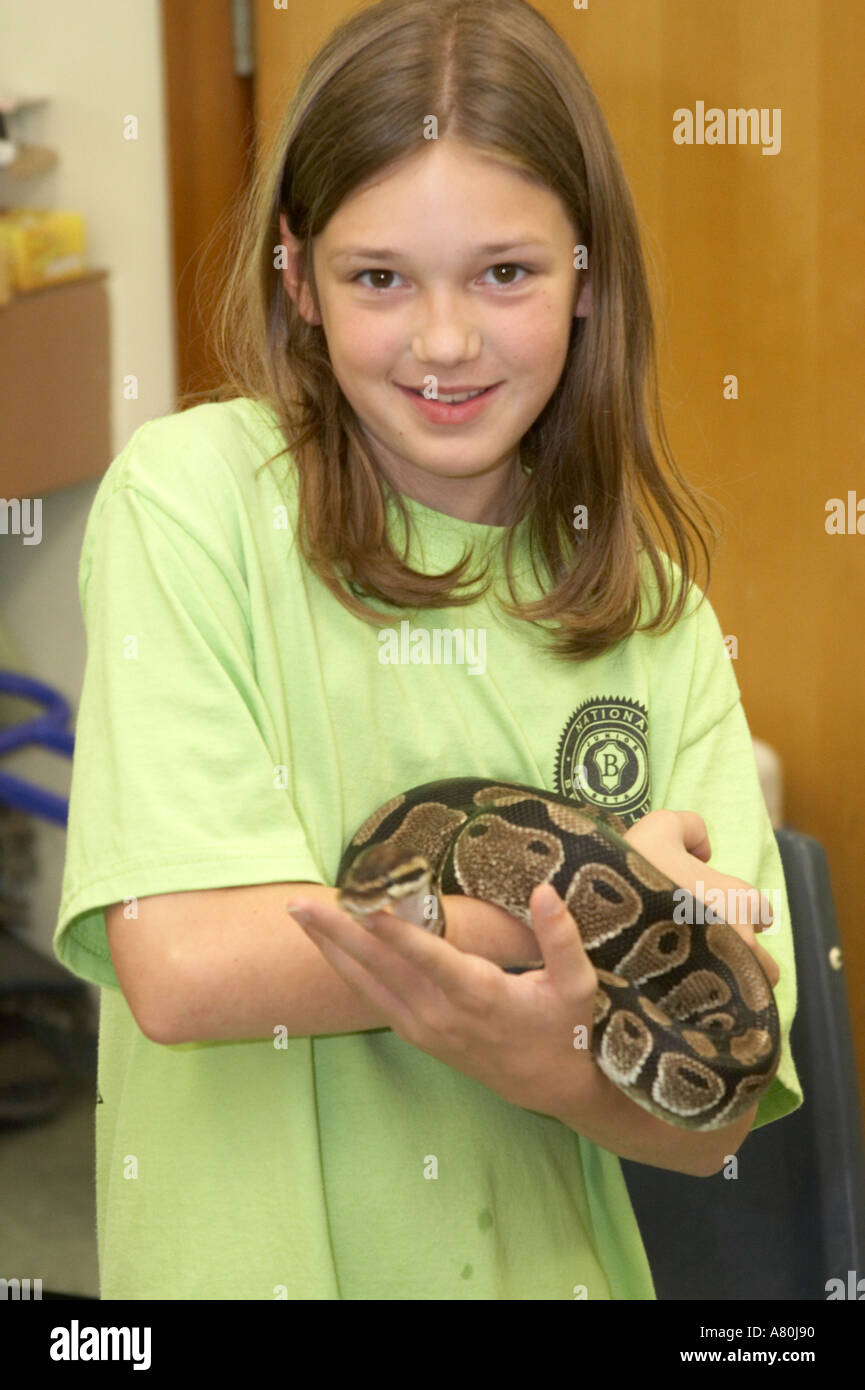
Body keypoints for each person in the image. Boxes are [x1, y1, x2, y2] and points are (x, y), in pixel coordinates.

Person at [54, 0, 801, 1300]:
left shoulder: (657, 613)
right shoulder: (193, 504)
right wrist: (560, 922)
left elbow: (717, 1106)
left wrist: (533, 1051)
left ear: (586, 277)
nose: (443, 340)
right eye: (379, 275)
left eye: (504, 273)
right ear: (297, 277)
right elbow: (179, 964)